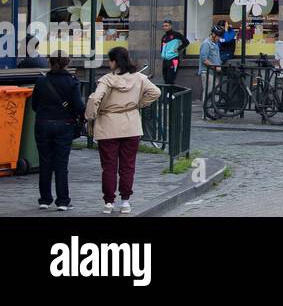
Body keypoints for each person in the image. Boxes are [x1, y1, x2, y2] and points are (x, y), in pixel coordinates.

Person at [84, 47, 161, 215]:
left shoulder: (106, 79)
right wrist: (139, 103)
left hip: (108, 125)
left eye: (109, 60)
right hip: (131, 124)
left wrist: (90, 116)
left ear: (114, 62)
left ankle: (109, 202)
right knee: (128, 166)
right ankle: (125, 202)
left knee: (109, 167)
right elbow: (156, 92)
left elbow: (96, 98)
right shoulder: (139, 78)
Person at [32, 54, 84, 211]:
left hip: (43, 124)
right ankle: (63, 201)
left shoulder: (41, 81)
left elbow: (34, 105)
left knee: (45, 162)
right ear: (67, 64)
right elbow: (78, 106)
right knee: (61, 164)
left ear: (50, 62)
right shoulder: (72, 81)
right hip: (64, 125)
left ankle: (45, 200)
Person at [159, 20, 188, 86]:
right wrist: (162, 53)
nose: (164, 27)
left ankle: (171, 95)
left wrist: (178, 49)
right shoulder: (164, 37)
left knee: (170, 79)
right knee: (165, 79)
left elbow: (186, 42)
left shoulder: (176, 34)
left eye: (166, 26)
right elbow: (162, 47)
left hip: (173, 59)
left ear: (170, 26)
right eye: (163, 26)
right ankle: (167, 95)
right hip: (165, 60)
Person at [198, 26, 223, 94]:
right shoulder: (206, 44)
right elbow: (204, 60)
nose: (219, 38)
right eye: (219, 36)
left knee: (215, 93)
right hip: (207, 72)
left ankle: (214, 104)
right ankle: (206, 105)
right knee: (208, 93)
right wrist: (216, 67)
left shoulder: (215, 43)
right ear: (213, 34)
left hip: (214, 72)